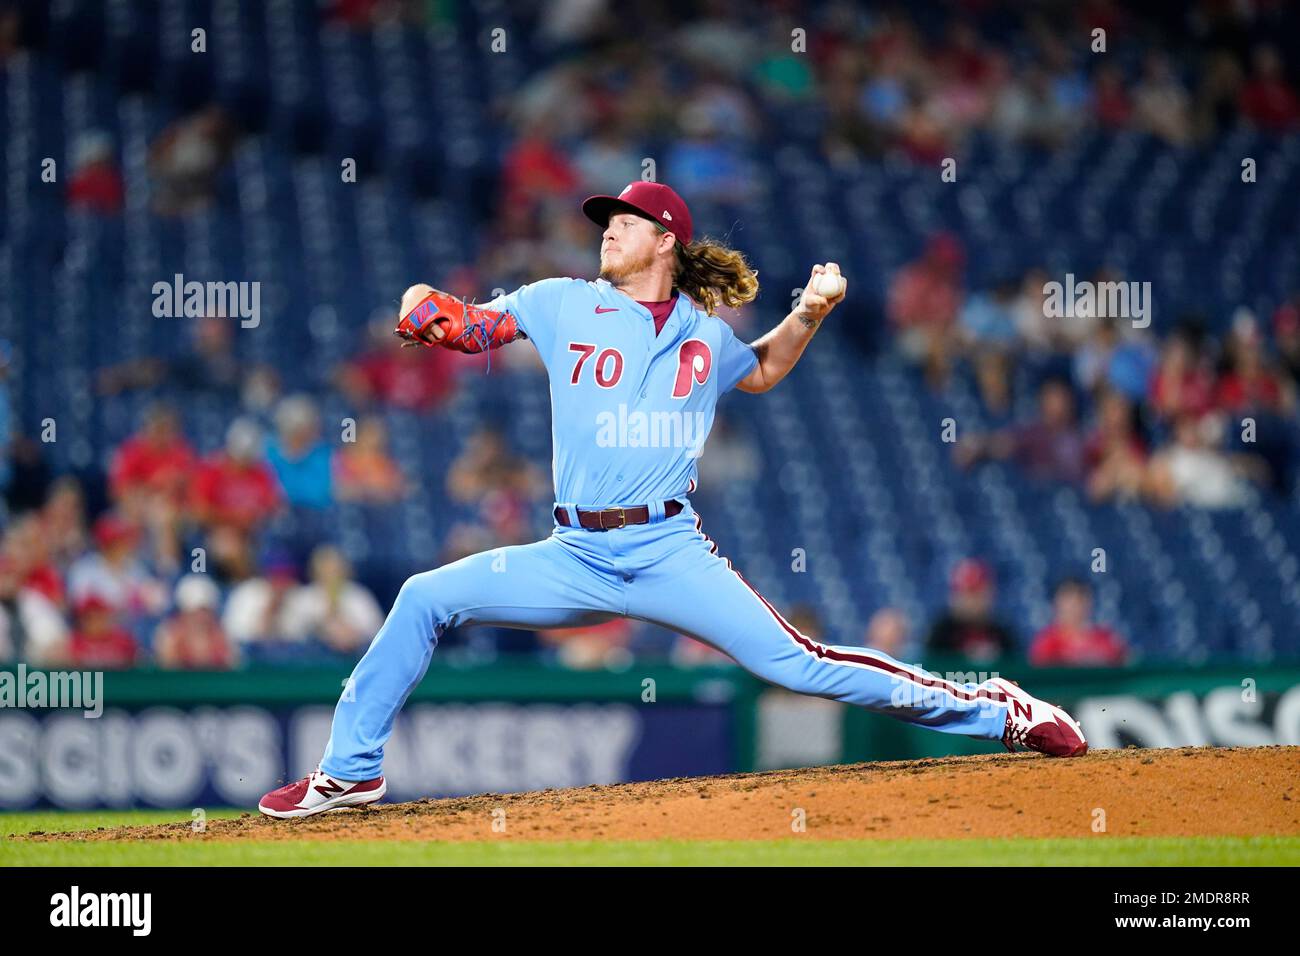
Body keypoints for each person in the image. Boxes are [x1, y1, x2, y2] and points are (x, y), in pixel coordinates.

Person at [259, 181, 1086, 819]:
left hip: (667, 551)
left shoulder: (703, 332)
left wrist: (807, 313)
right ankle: (351, 772)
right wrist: (422, 306)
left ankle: (998, 710)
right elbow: (472, 325)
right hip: (574, 555)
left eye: (624, 220)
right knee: (422, 598)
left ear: (665, 240)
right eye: (605, 220)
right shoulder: (560, 301)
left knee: (797, 662)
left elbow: (759, 370)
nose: (606, 229)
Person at [925, 559, 1017, 663]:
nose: (972, 601)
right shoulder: (941, 633)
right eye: (968, 593)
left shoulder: (1001, 633)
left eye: (978, 593)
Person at [1029, 578, 1128, 668]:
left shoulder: (1107, 639)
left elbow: (1126, 666)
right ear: (1056, 604)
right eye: (1068, 601)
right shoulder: (1047, 642)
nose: (1073, 607)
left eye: (1079, 600)